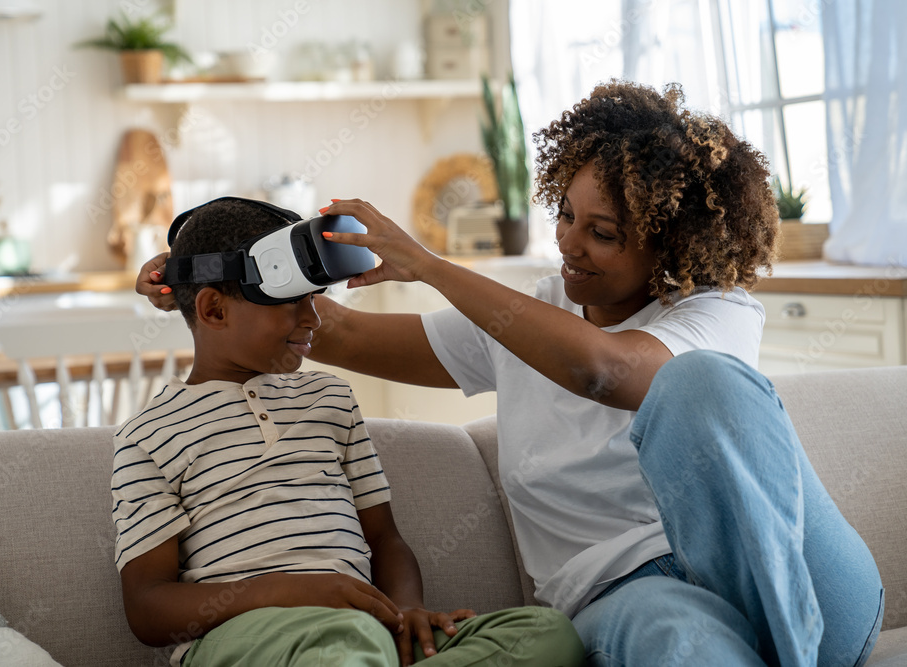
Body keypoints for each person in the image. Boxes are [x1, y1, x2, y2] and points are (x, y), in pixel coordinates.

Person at [137, 81, 884, 666]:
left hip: (804, 576)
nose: (570, 246)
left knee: (700, 385)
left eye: (604, 233)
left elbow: (604, 370)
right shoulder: (524, 320)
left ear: (672, 246)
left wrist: (428, 266)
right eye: (566, 215)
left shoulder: (714, 311)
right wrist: (216, 283)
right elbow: (346, 333)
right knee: (681, 642)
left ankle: (795, 650)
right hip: (634, 594)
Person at [113, 197, 584, 667]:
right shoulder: (149, 435)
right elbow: (147, 608)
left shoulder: (330, 399)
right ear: (214, 310)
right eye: (292, 303)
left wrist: (405, 612)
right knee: (349, 641)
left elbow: (386, 540)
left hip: (365, 634)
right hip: (245, 640)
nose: (314, 319)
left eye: (314, 300)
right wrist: (284, 591)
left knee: (546, 634)